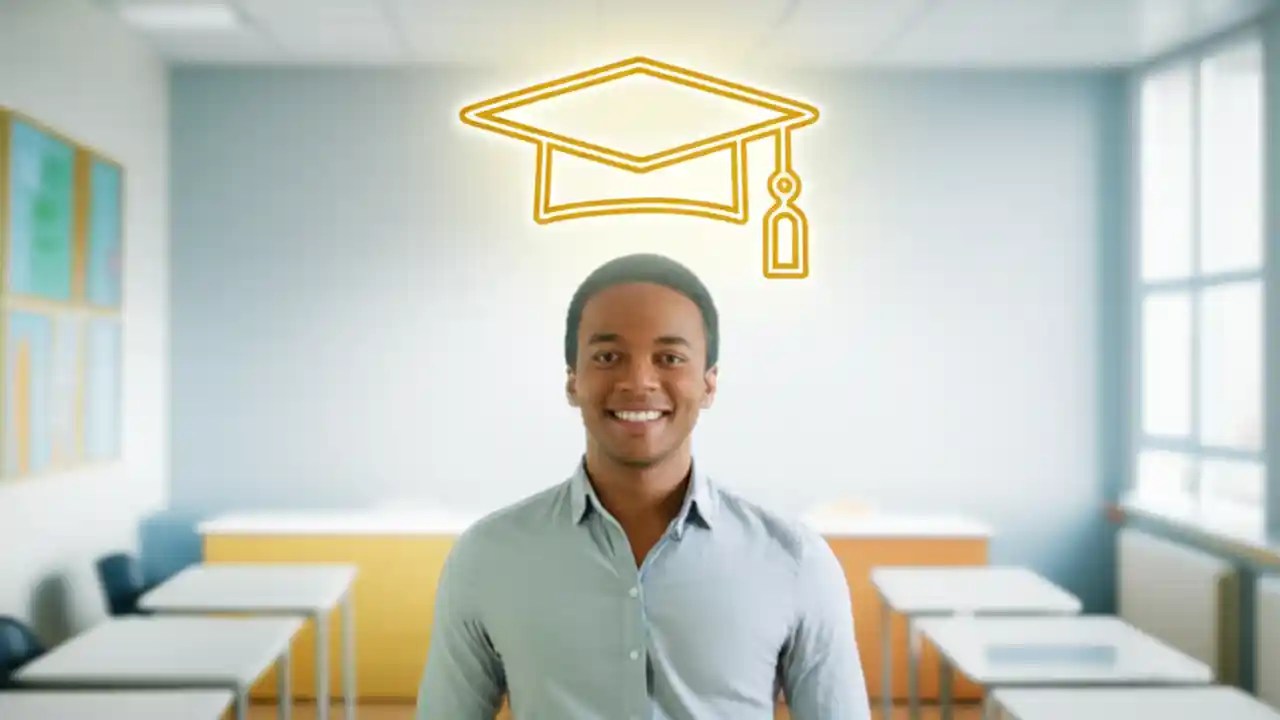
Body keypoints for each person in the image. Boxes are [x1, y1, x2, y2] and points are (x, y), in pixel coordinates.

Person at [416, 253, 870, 719]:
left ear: (709, 384)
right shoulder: (489, 557)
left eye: (669, 358)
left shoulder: (794, 560)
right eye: (608, 357)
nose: (638, 382)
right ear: (573, 381)